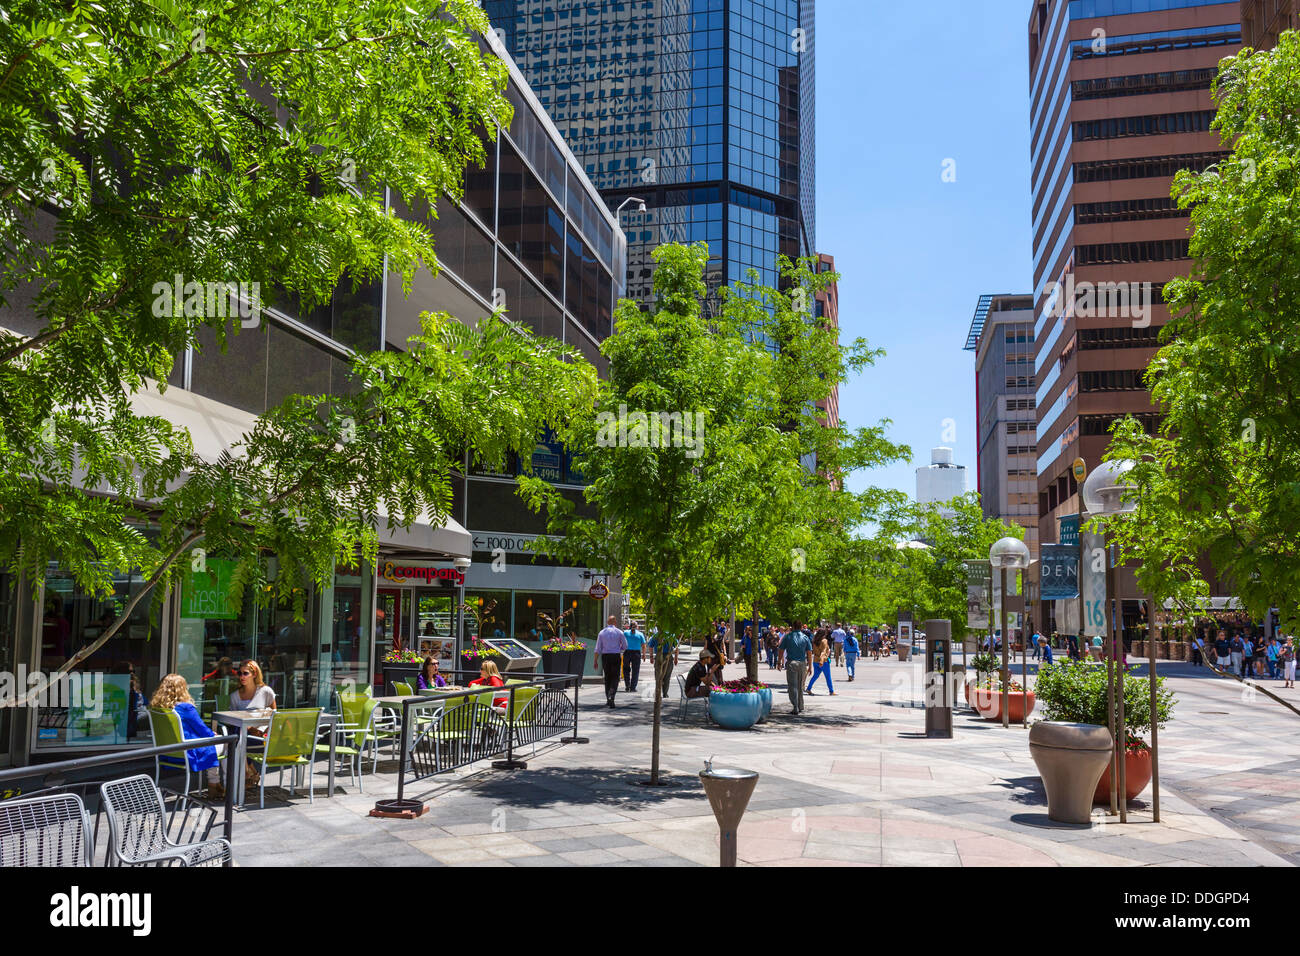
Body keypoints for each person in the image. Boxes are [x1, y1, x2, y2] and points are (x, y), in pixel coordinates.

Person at [150, 674, 226, 798]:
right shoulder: (185, 708)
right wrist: (213, 734)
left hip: (168, 753)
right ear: (182, 689)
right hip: (189, 752)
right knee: (228, 742)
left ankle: (215, 784)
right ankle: (217, 784)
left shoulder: (157, 709)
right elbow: (203, 730)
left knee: (219, 741)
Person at [778, 622, 813, 714]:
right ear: (801, 627)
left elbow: (781, 649)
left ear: (793, 627)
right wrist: (810, 666)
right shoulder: (805, 637)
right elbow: (809, 652)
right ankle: (800, 705)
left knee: (792, 686)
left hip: (792, 663)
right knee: (800, 685)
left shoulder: (788, 636)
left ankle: (795, 706)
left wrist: (778, 662)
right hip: (802, 664)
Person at [594, 615, 628, 708]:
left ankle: (608, 698)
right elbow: (625, 646)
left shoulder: (601, 633)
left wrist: (595, 661)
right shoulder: (619, 632)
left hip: (605, 656)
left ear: (607, 622)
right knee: (615, 677)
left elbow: (598, 648)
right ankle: (611, 696)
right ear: (615, 622)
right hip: (615, 656)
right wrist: (618, 648)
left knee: (607, 677)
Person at [806, 631, 835, 696]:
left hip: (815, 661)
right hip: (823, 661)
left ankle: (808, 688)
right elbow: (823, 651)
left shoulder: (814, 641)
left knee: (815, 676)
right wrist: (822, 661)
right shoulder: (824, 640)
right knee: (828, 677)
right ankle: (831, 691)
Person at [623, 621, 647, 694]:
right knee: (635, 670)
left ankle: (627, 685)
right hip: (636, 653)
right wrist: (644, 654)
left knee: (626, 669)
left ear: (629, 626)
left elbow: (621, 641)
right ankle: (633, 687)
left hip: (627, 652)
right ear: (637, 627)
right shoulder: (640, 634)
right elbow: (643, 645)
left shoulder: (625, 633)